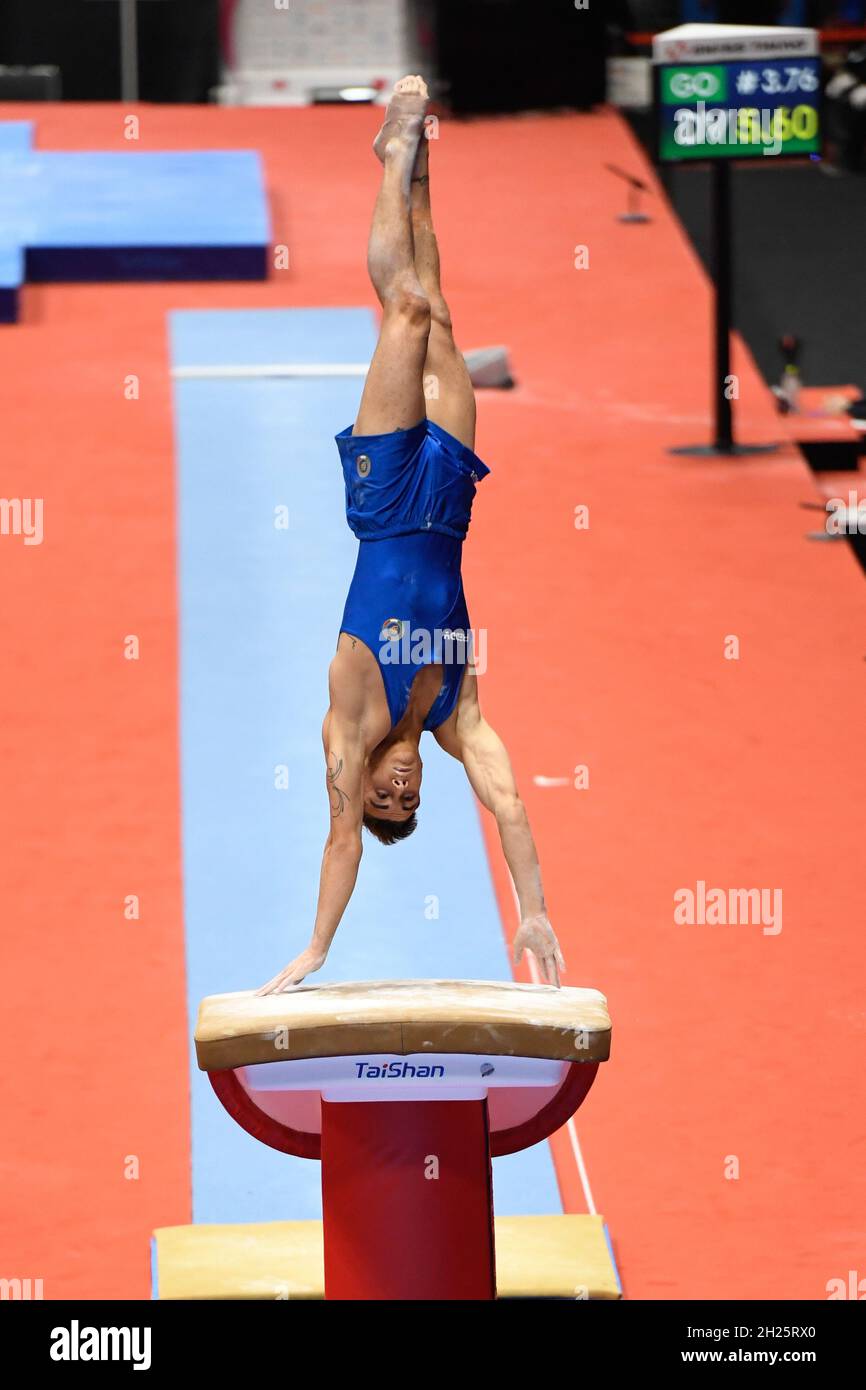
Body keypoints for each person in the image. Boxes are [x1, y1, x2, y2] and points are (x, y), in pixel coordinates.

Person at [258, 77, 564, 993]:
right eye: (410, 798)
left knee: (407, 313)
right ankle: (418, 169)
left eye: (385, 798)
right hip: (452, 502)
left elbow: (339, 836)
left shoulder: (351, 727)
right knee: (438, 294)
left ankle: (391, 154)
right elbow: (507, 802)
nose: (397, 790)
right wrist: (535, 906)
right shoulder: (454, 718)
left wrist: (317, 949)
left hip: (388, 504)